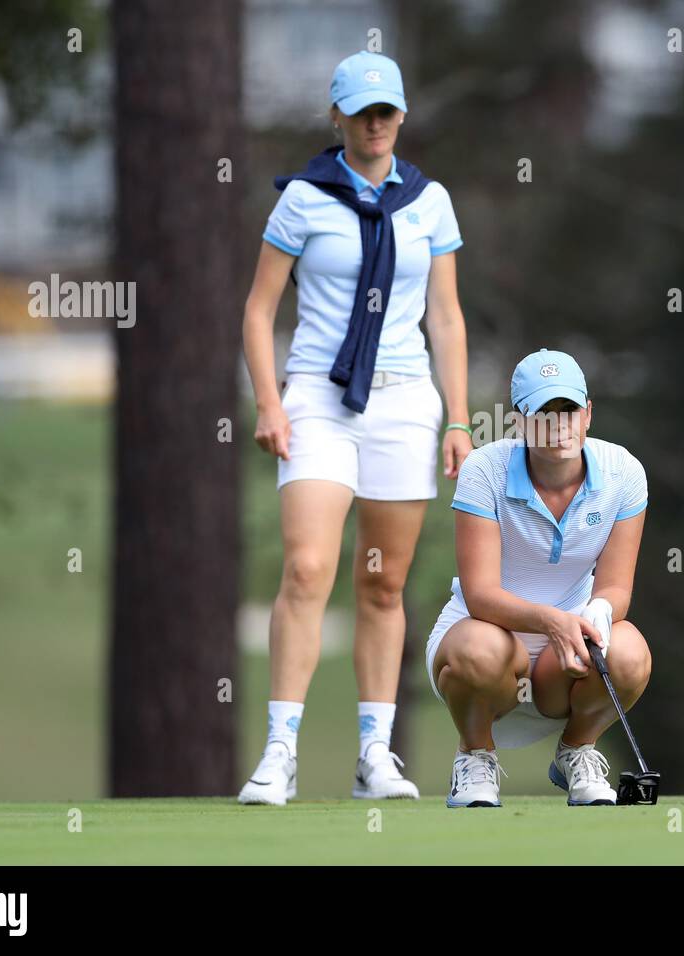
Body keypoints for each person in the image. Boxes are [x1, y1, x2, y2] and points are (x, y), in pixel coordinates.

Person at [239, 51, 473, 805]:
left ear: (401, 117)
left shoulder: (429, 203)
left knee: (383, 582)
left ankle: (376, 754)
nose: (376, 124)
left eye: (387, 111)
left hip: (405, 402)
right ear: (336, 116)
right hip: (316, 396)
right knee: (308, 568)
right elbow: (258, 311)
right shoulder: (305, 199)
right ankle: (281, 750)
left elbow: (445, 316)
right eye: (362, 111)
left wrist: (460, 417)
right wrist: (268, 403)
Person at [426, 349, 652, 807]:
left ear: (587, 414)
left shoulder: (623, 473)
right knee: (479, 649)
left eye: (568, 410)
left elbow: (616, 588)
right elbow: (480, 594)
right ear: (518, 422)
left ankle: (576, 751)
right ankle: (475, 756)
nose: (559, 424)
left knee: (630, 653)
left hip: (566, 659)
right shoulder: (483, 470)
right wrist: (551, 620)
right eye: (543, 412)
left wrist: (598, 614)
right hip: (484, 645)